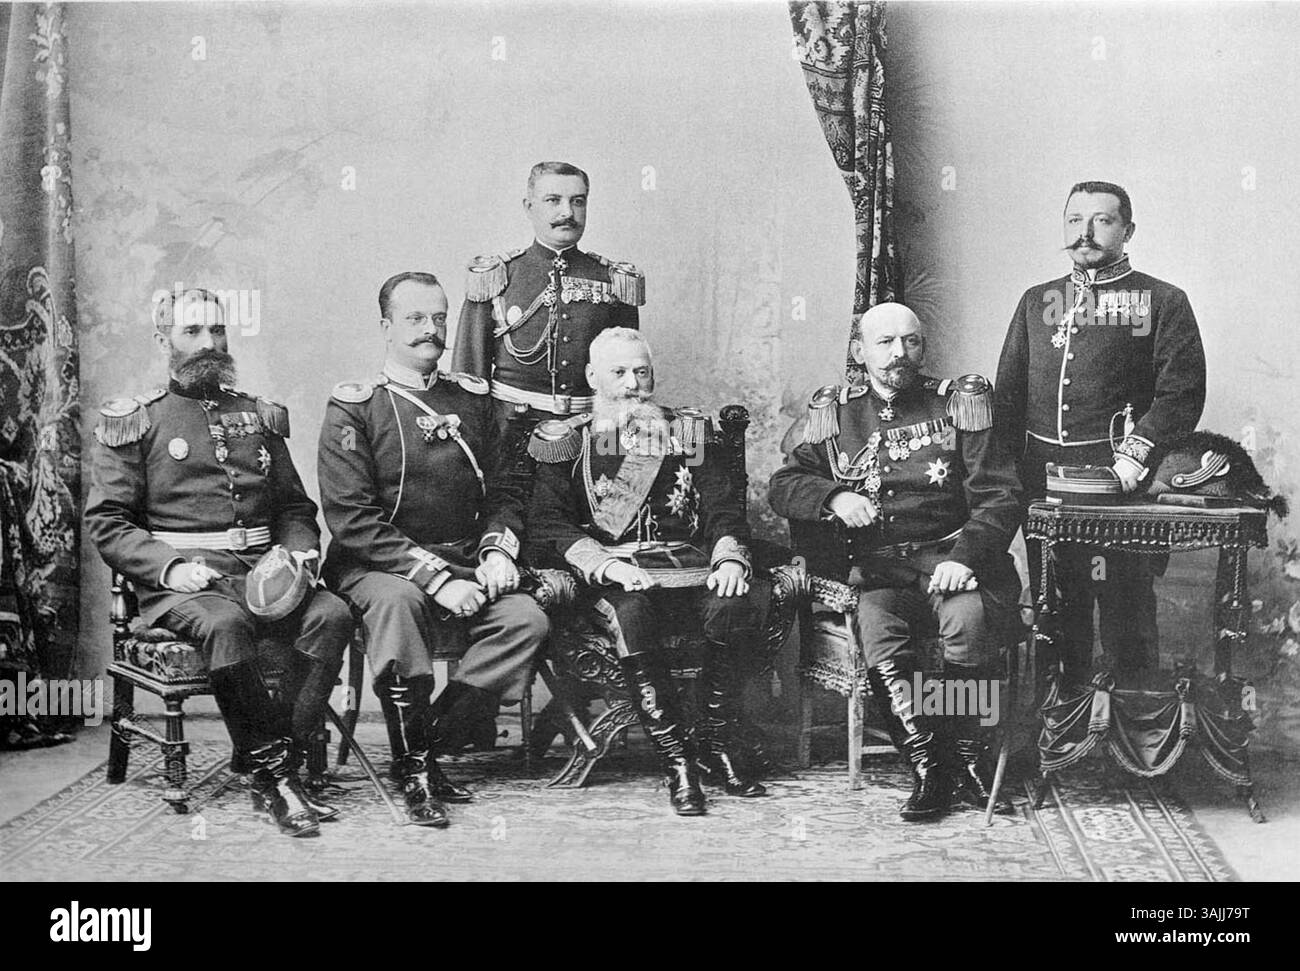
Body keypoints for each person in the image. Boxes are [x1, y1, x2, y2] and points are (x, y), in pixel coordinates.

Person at [85, 287, 353, 837]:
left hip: (261, 573)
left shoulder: (257, 415)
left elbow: (296, 507)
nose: (209, 342)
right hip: (186, 583)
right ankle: (278, 778)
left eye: (217, 330)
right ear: (164, 341)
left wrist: (299, 554)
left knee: (334, 614)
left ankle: (266, 758)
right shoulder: (138, 421)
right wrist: (169, 569)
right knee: (226, 625)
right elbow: (107, 521)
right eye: (192, 332)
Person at [769, 303, 1022, 820]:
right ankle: (929, 767)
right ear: (860, 351)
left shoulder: (958, 405)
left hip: (952, 563)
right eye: (884, 343)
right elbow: (785, 484)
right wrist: (833, 497)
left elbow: (1000, 495)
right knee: (880, 630)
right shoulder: (835, 412)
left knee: (967, 622)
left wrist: (967, 556)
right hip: (882, 571)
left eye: (910, 342)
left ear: (922, 346)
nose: (898, 355)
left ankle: (967, 756)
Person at [317, 271, 548, 828]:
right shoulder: (357, 407)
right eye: (416, 319)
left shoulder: (470, 399)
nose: (432, 330)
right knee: (400, 606)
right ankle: (415, 772)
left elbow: (506, 491)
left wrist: (496, 551)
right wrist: (438, 578)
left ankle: (429, 743)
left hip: (466, 558)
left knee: (526, 621)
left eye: (440, 317)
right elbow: (352, 520)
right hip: (378, 565)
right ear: (386, 327)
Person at [527, 327, 770, 816]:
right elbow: (546, 522)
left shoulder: (686, 434)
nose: (632, 384)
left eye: (641, 372)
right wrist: (605, 565)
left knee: (733, 603)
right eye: (618, 373)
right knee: (632, 614)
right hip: (614, 574)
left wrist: (726, 555)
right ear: (593, 376)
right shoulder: (568, 441)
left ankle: (717, 744)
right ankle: (678, 761)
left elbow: (723, 504)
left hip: (688, 566)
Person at [994, 181, 1206, 684]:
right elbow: (1007, 398)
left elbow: (1181, 393)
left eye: (1101, 220)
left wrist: (1134, 459)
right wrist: (1002, 478)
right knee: (1054, 610)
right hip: (1043, 487)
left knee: (1126, 612)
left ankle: (1131, 740)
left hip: (1120, 487)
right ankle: (1059, 734)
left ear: (1127, 230)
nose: (1084, 233)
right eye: (1074, 221)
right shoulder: (1036, 301)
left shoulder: (1162, 300)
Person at [452, 161, 644, 439]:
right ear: (529, 207)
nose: (567, 212)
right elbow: (468, 377)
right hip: (507, 431)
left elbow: (628, 379)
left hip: (590, 432)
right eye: (553, 200)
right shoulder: (497, 276)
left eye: (577, 201)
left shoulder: (614, 280)